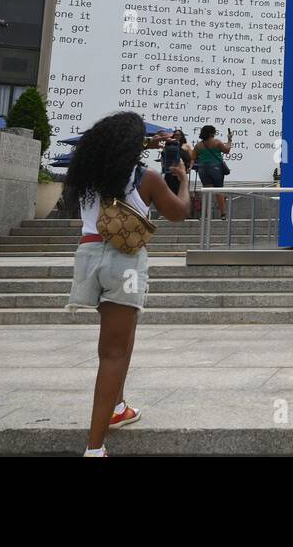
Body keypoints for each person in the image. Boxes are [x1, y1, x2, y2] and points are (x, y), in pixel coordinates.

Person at [64, 111, 190, 457]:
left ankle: (117, 407)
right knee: (114, 353)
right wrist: (184, 179)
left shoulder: (86, 174)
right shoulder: (145, 177)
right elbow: (178, 212)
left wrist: (146, 144)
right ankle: (94, 448)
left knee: (121, 338)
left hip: (89, 255)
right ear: (133, 146)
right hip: (124, 259)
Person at [193, 125, 232, 219]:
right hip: (216, 167)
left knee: (207, 191)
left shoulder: (198, 145)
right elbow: (226, 150)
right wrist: (229, 140)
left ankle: (206, 214)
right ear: (211, 133)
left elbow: (192, 157)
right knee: (219, 190)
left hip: (203, 168)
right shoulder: (216, 142)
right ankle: (223, 214)